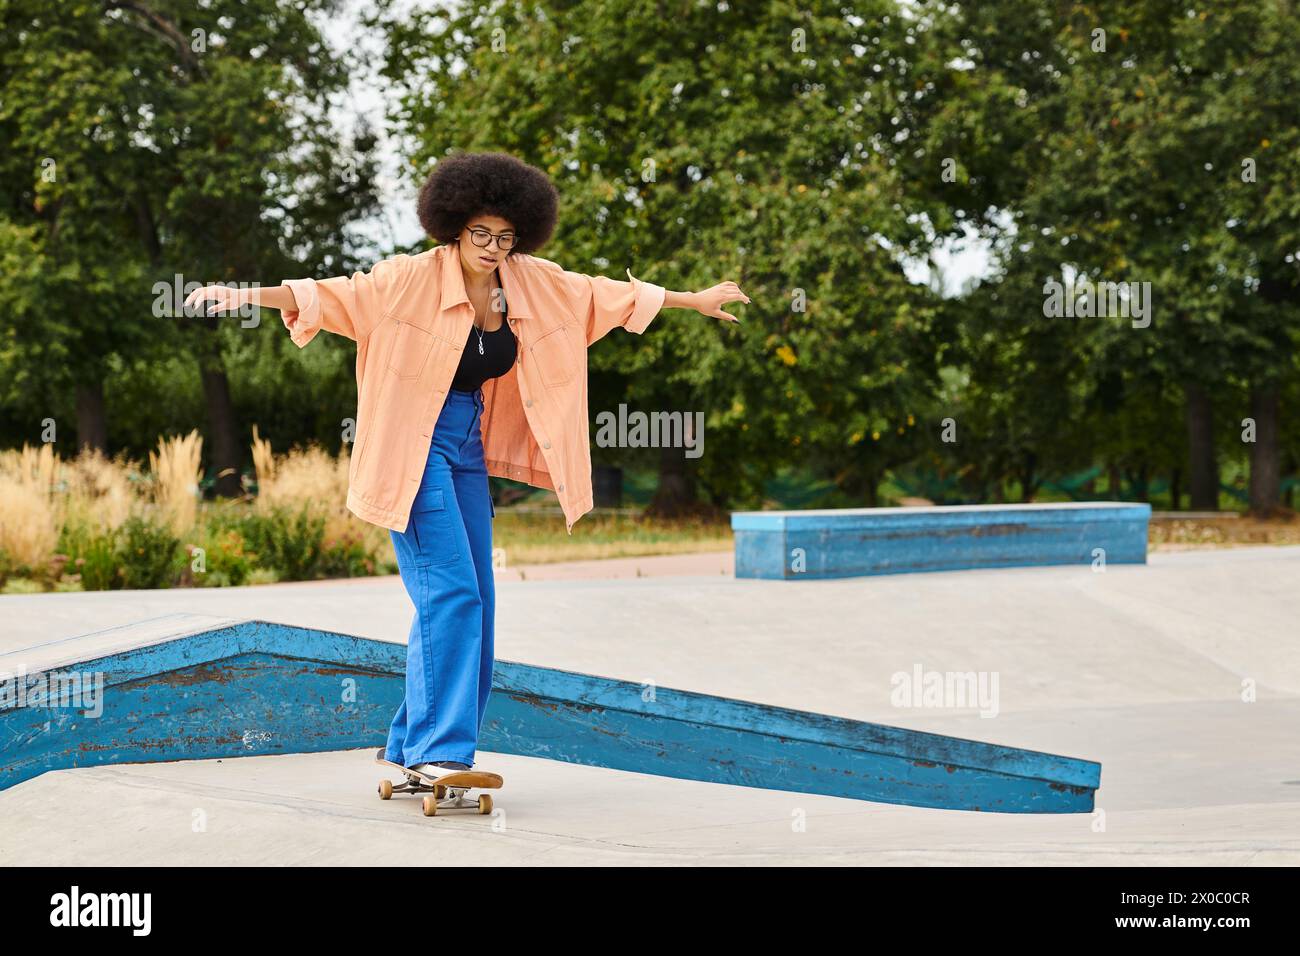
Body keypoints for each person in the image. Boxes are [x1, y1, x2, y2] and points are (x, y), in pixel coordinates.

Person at [185, 151, 749, 775]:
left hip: (466, 449)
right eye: (481, 234)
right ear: (453, 226)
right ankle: (437, 753)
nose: (492, 247)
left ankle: (407, 744)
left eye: (505, 238)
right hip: (413, 448)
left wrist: (694, 300)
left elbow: (600, 295)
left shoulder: (528, 281)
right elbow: (328, 293)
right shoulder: (408, 281)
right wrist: (241, 294)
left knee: (476, 596)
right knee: (450, 594)